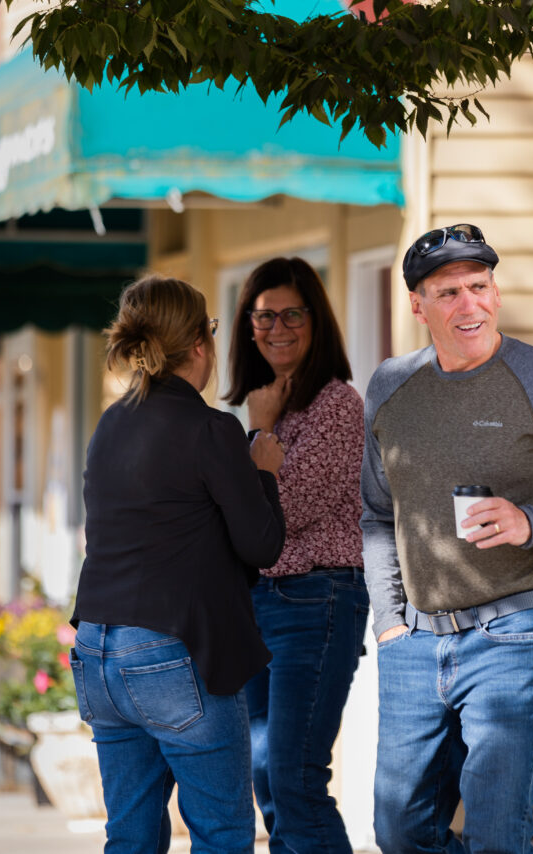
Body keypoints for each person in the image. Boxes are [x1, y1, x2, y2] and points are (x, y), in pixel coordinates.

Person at [361, 222, 533, 853]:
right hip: (415, 640)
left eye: (480, 287)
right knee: (399, 832)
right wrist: (388, 622)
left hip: (518, 635)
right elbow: (377, 515)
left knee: (495, 834)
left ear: (497, 293)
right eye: (449, 292)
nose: (469, 305)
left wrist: (531, 521)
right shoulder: (390, 386)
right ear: (417, 304)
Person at [69, 275, 286, 854]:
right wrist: (262, 465)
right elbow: (262, 545)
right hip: (172, 652)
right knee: (221, 834)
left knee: (130, 837)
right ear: (198, 345)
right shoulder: (212, 429)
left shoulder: (110, 424)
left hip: (98, 651)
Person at [224, 257, 368, 854]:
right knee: (266, 773)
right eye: (264, 316)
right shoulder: (266, 403)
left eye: (291, 314)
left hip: (316, 599)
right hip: (261, 602)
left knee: (295, 776)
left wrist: (259, 434)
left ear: (317, 321)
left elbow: (281, 508)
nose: (277, 328)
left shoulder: (336, 404)